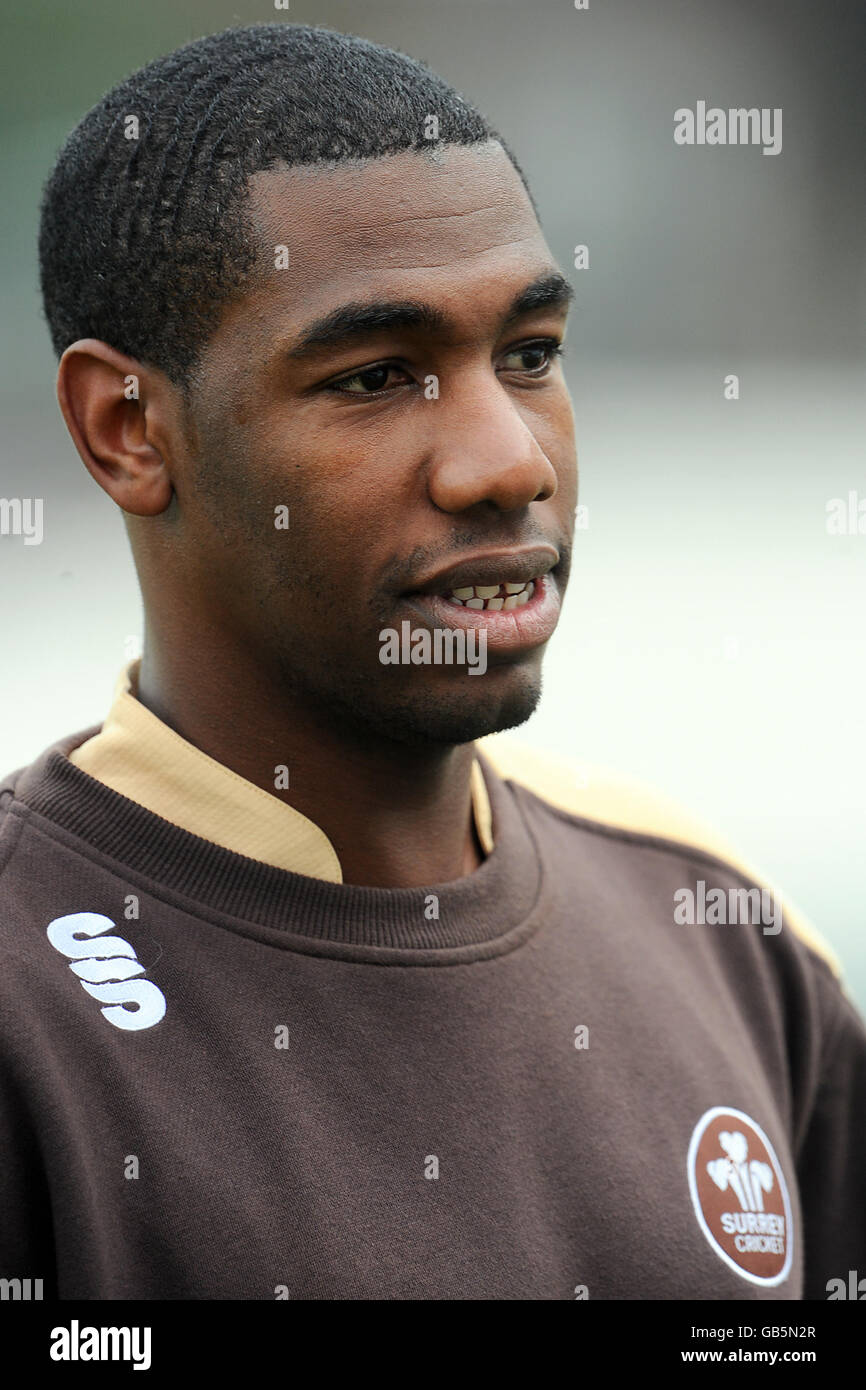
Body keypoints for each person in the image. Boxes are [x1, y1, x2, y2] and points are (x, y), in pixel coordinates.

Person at [1, 22, 863, 1301]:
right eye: (375, 375)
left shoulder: (721, 935)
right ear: (127, 428)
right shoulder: (29, 1001)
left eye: (528, 355)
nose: (506, 459)